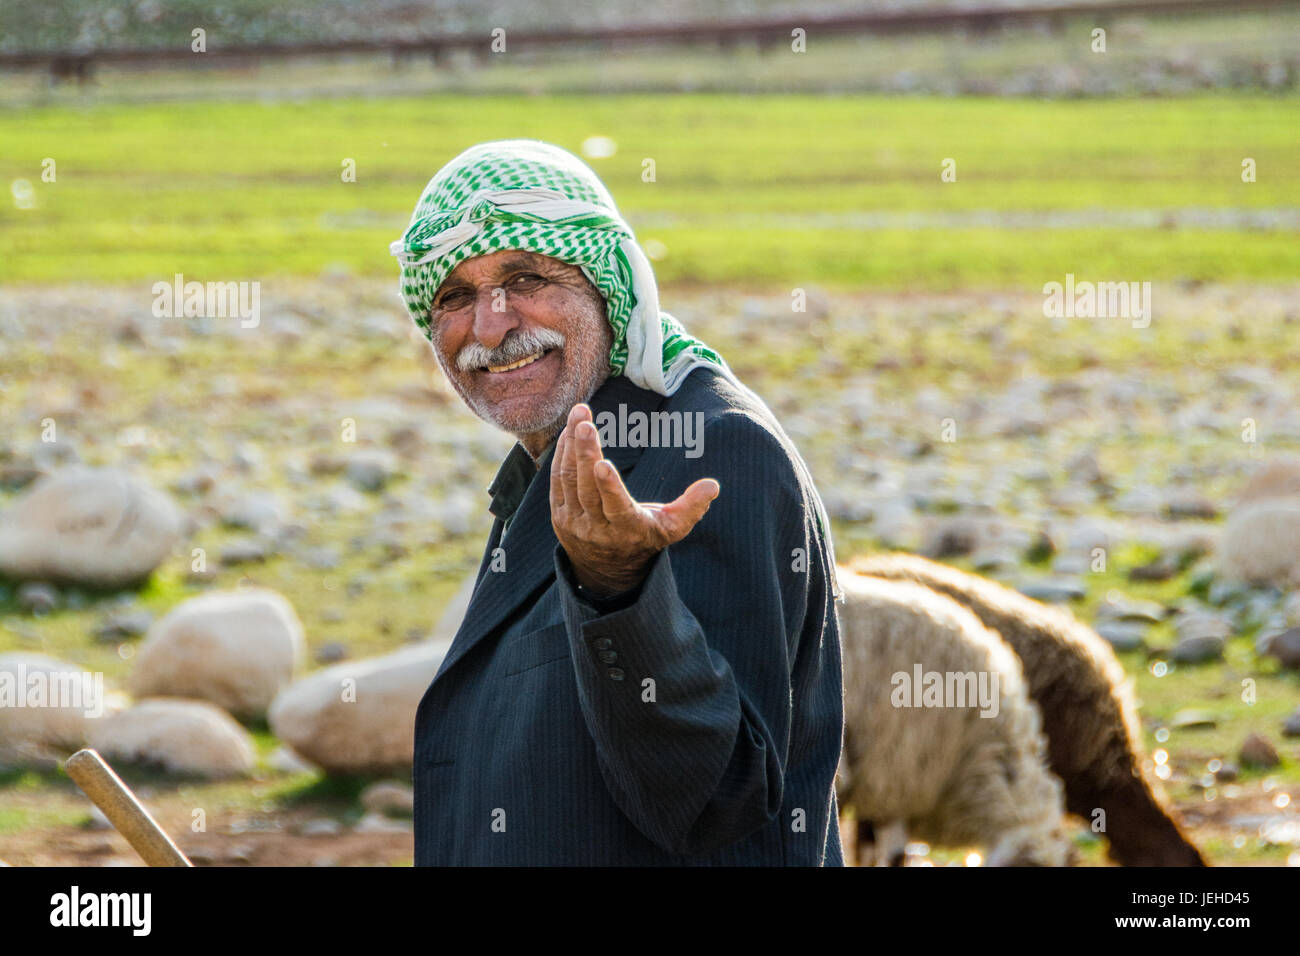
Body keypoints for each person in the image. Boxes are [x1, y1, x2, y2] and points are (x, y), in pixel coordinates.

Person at [391, 139, 844, 865]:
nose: (490, 326)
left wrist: (618, 590)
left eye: (527, 276)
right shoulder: (553, 459)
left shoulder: (712, 450)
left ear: (609, 285)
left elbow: (717, 800)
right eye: (454, 296)